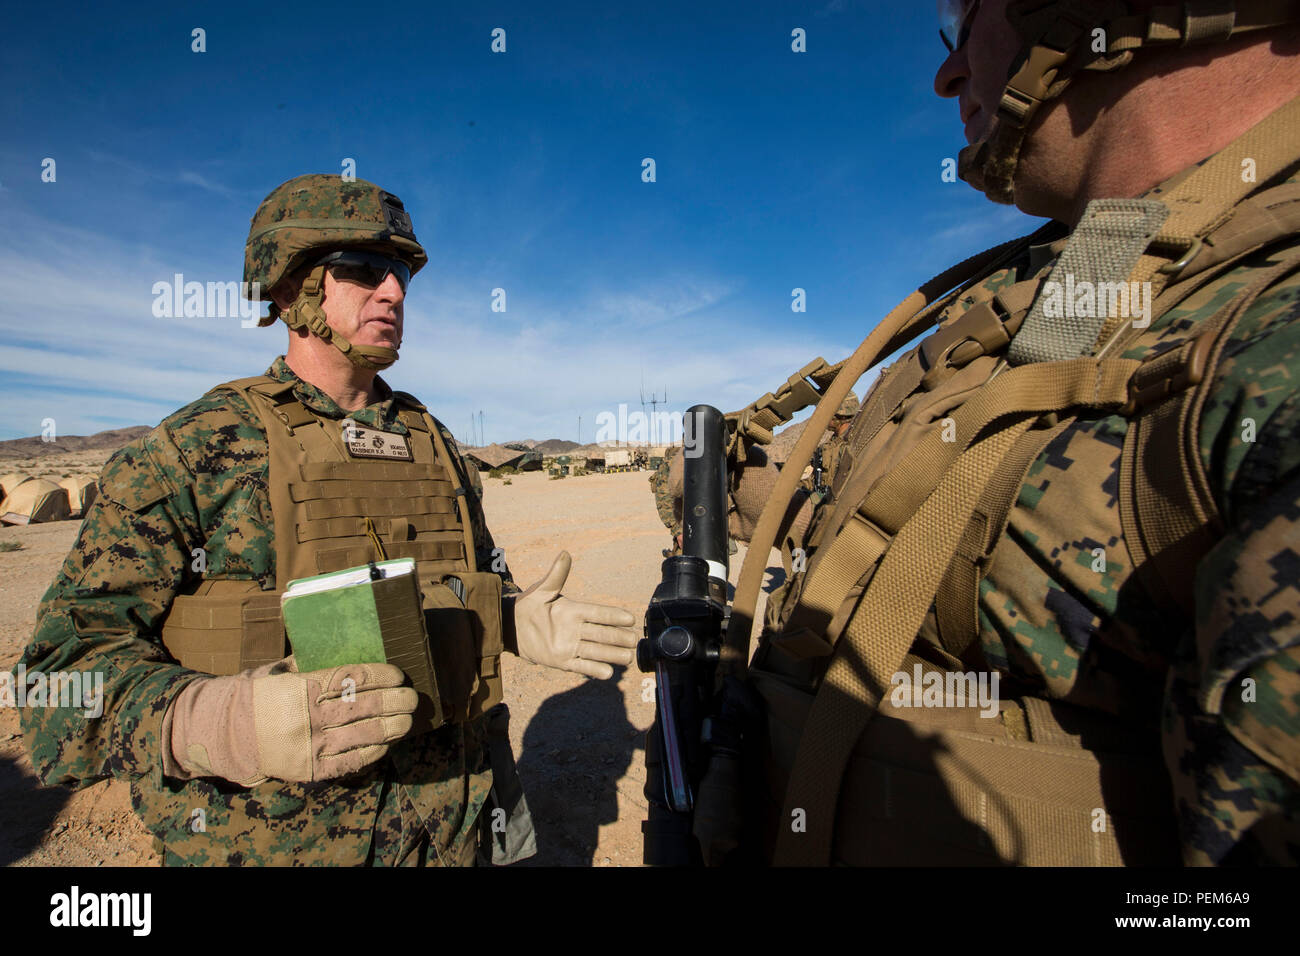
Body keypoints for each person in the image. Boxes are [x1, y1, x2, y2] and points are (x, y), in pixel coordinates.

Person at [665, 0, 1300, 865]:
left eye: (967, 23)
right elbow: (914, 518)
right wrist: (730, 487)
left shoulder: (1266, 326)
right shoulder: (1074, 276)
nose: (948, 73)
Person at [19, 174, 638, 866]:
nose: (395, 292)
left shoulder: (435, 445)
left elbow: (471, 580)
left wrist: (515, 619)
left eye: (401, 272)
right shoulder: (194, 452)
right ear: (290, 291)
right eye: (366, 271)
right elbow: (54, 684)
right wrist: (224, 724)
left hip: (454, 838)